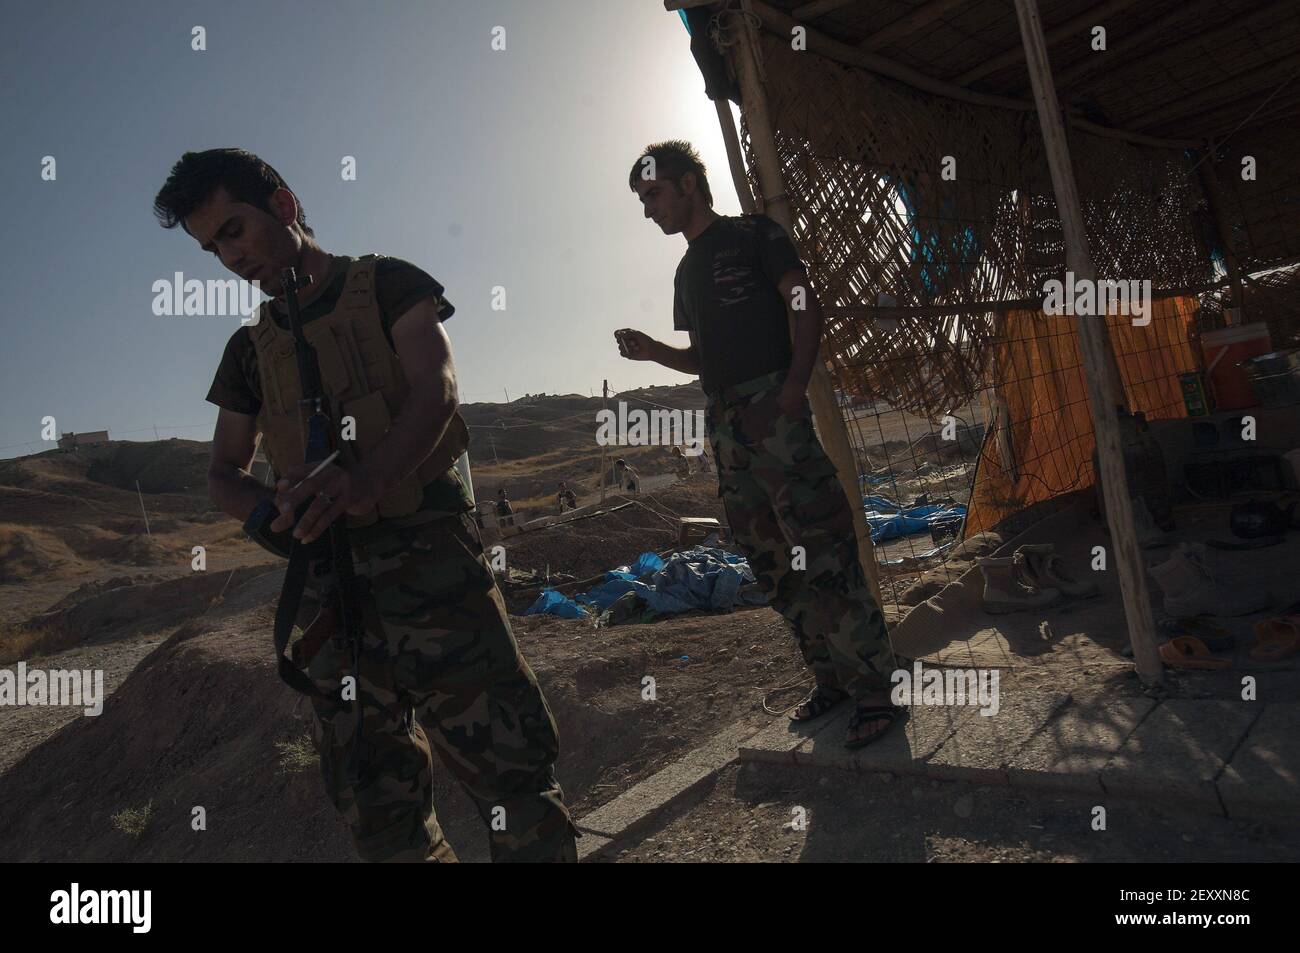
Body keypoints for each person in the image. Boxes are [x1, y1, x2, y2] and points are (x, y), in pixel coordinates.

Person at [158, 148, 575, 861]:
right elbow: (224, 471)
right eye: (210, 247)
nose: (228, 257)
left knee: (512, 785)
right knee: (378, 808)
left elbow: (435, 388)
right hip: (335, 599)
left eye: (234, 230)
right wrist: (271, 515)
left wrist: (365, 480)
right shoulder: (250, 350)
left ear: (284, 206)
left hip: (434, 573)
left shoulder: (387, 285)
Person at [617, 140, 903, 749]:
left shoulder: (754, 235)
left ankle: (875, 690)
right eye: (642, 201)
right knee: (771, 562)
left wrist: (795, 387)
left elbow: (803, 303)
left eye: (654, 195)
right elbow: (701, 357)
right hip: (727, 427)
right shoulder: (685, 271)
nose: (648, 211)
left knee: (822, 547)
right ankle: (831, 679)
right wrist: (652, 351)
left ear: (689, 183)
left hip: (775, 409)